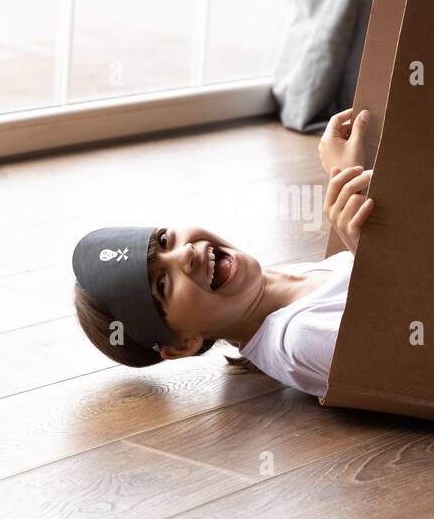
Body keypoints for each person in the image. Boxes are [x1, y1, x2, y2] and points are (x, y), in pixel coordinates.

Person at [72, 108, 374, 397]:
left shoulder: (288, 279)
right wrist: (364, 231)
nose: (185, 253)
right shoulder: (299, 339)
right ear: (182, 345)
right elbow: (416, 360)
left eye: (164, 240)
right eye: (162, 284)